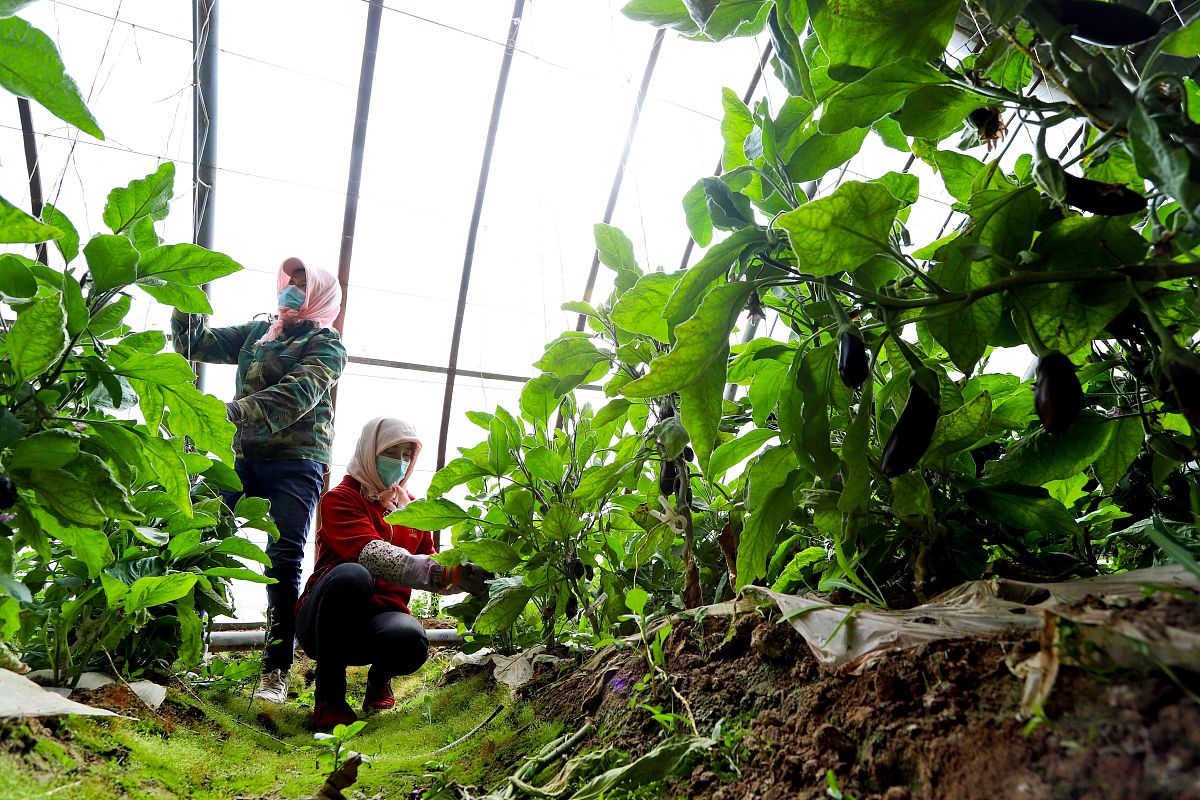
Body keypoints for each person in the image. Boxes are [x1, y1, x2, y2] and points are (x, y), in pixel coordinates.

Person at [171, 257, 347, 703]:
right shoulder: (260, 332)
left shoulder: (326, 344)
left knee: (282, 559)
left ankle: (276, 669)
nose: (293, 290)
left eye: (304, 285)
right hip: (244, 457)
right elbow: (195, 342)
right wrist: (187, 297)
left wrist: (232, 411)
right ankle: (186, 649)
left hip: (296, 462)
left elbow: (297, 395)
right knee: (198, 531)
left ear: (320, 296)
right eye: (291, 282)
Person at [296, 417, 486, 731]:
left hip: (377, 625)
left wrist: (472, 571)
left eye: (406, 455)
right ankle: (329, 698)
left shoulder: (412, 511)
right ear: (369, 451)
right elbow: (373, 555)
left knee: (411, 639)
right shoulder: (341, 499)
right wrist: (449, 574)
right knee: (353, 576)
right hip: (323, 624)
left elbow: (433, 563)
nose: (399, 462)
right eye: (390, 452)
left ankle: (380, 678)